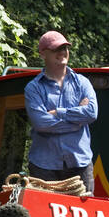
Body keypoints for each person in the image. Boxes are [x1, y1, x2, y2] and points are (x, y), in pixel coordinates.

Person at [24, 30, 98, 192]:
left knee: (82, 216)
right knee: (43, 216)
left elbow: (91, 113)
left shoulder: (82, 83)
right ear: (43, 54)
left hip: (80, 163)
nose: (63, 52)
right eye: (57, 49)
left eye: (65, 48)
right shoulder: (33, 88)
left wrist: (59, 112)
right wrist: (77, 121)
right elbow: (41, 123)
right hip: (44, 166)